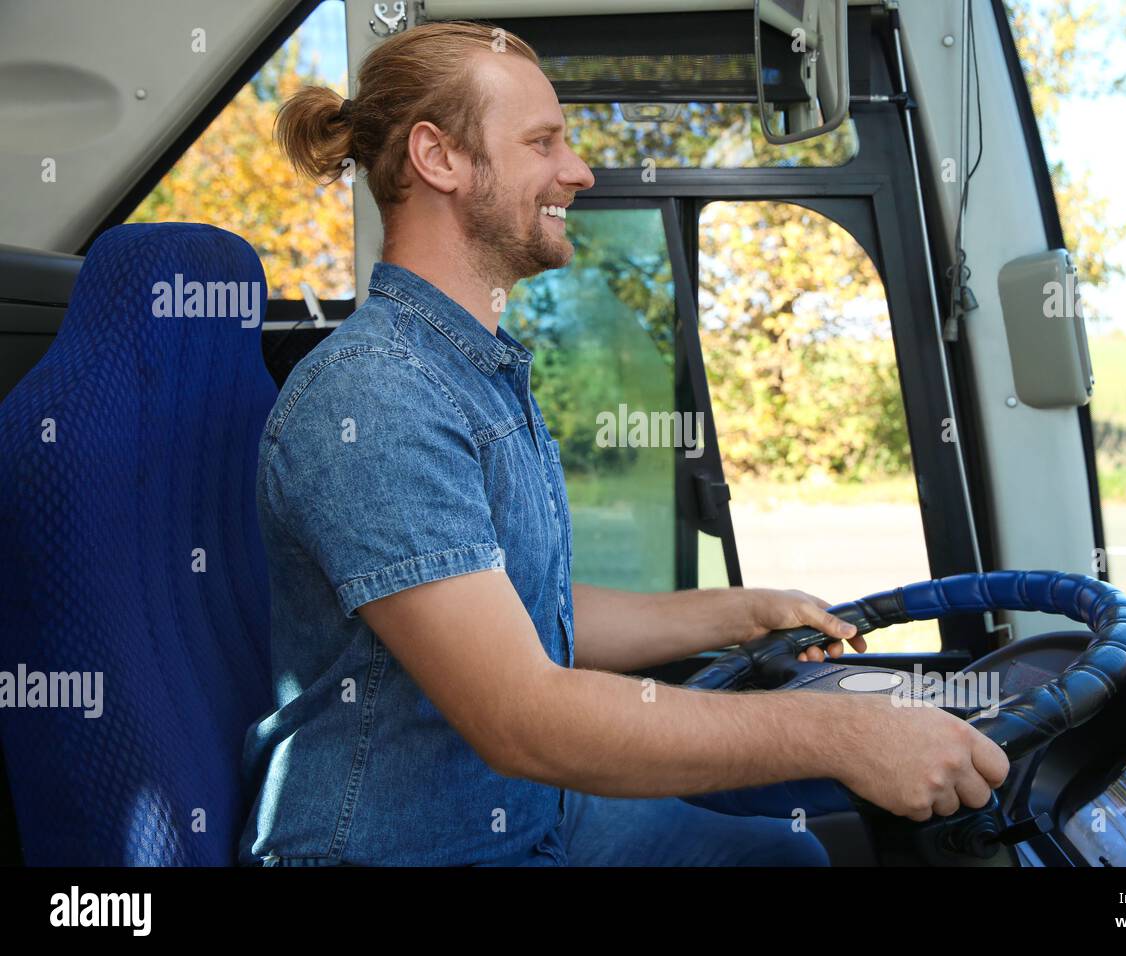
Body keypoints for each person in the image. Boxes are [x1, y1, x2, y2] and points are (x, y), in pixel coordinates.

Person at [237, 20, 1008, 867]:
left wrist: (741, 611)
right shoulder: (377, 394)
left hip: (531, 814)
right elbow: (524, 716)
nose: (579, 169)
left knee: (790, 861)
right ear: (439, 158)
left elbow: (536, 612)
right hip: (410, 851)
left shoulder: (467, 370)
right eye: (543, 141)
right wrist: (841, 734)